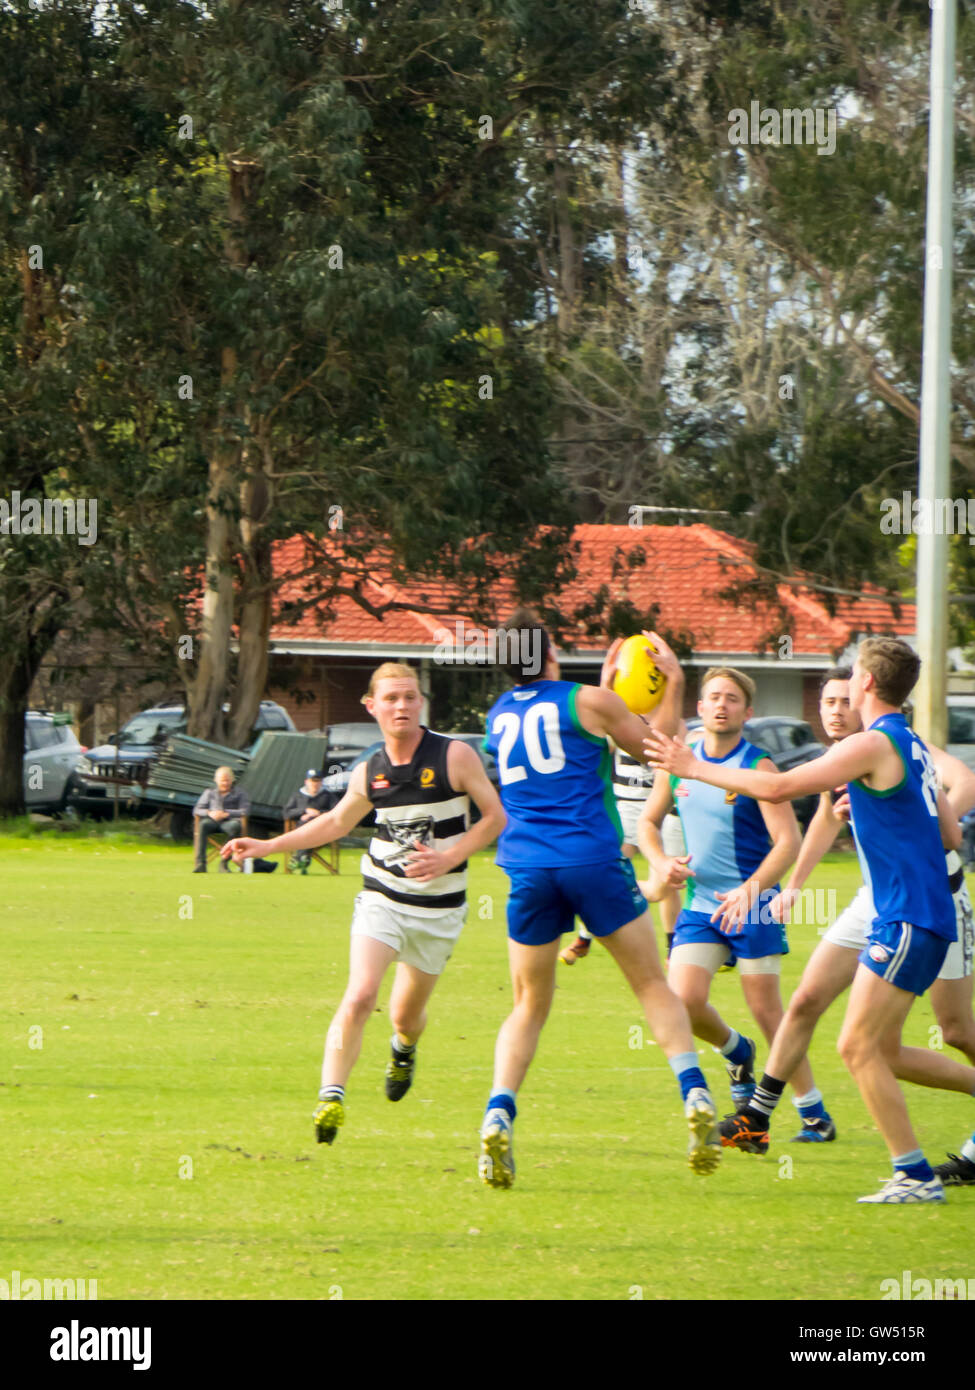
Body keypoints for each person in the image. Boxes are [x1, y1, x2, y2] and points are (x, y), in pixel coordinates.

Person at [648, 637, 965, 1204]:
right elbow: (949, 833)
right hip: (917, 912)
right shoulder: (910, 744)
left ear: (866, 683)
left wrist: (692, 766)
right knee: (878, 1049)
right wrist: (871, 809)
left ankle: (913, 1176)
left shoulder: (871, 742)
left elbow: (777, 787)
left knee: (859, 1048)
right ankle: (774, 1120)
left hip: (907, 915)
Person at [478, 613, 722, 1190]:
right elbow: (660, 751)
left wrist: (613, 693)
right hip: (593, 859)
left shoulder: (497, 716)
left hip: (528, 867)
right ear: (550, 651)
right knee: (651, 985)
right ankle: (694, 1093)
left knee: (529, 1003)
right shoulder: (588, 701)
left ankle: (498, 1111)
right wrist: (674, 686)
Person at [223, 662, 505, 1146]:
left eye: (410, 697)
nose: (402, 706)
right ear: (371, 706)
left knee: (405, 1017)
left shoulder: (455, 756)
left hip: (439, 910)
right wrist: (267, 846)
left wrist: (450, 856)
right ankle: (331, 1096)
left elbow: (496, 816)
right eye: (391, 699)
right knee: (359, 995)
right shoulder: (369, 770)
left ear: (421, 703)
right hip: (382, 898)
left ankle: (403, 1049)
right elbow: (334, 824)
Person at [713, 666, 975, 1155]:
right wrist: (792, 887)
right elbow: (822, 820)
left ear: (866, 692)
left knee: (953, 1030)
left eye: (842, 700)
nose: (834, 710)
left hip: (935, 892)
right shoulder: (840, 756)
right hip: (879, 899)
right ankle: (758, 1116)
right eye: (827, 702)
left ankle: (910, 1167)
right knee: (808, 998)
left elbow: (964, 783)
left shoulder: (897, 742)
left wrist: (917, 824)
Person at [638, 668, 822, 1125]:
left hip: (754, 904)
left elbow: (788, 843)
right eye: (714, 697)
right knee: (682, 1001)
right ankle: (736, 1051)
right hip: (702, 906)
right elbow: (647, 823)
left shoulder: (758, 767)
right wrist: (661, 861)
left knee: (767, 1010)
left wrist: (750, 890)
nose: (722, 704)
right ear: (699, 708)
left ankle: (812, 1110)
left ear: (747, 712)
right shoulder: (679, 760)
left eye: (733, 699)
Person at [559, 670, 684, 966]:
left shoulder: (673, 719)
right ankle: (583, 938)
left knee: (663, 886)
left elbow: (670, 753)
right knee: (608, 869)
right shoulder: (618, 714)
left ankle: (672, 946)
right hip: (626, 806)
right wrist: (605, 688)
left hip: (664, 810)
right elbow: (600, 740)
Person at [193, 766, 250, 873]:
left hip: (230, 821)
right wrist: (210, 813)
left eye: (227, 780)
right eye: (222, 781)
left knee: (235, 827)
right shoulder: (209, 792)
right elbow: (197, 809)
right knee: (202, 824)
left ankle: (224, 862)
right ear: (216, 780)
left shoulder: (240, 793)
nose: (225, 783)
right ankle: (201, 863)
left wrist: (226, 813)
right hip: (212, 821)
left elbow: (245, 811)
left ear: (232, 780)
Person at [283, 769, 333, 873]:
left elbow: (336, 812)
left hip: (322, 832)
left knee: (312, 824)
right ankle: (303, 858)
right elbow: (286, 813)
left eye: (317, 781)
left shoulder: (328, 796)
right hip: (300, 831)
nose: (315, 784)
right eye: (312, 781)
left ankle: (299, 858)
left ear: (321, 782)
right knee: (306, 824)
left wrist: (318, 813)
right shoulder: (297, 795)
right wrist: (304, 811)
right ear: (306, 782)